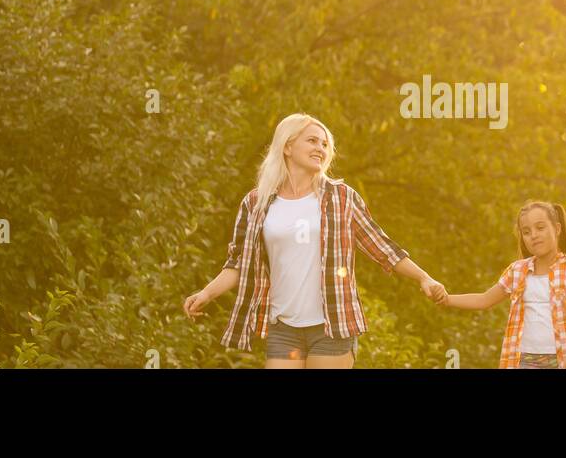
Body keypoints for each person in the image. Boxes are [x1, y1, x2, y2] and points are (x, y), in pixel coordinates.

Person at [183, 113, 447, 368]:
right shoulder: (256, 202)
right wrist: (207, 293)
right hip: (283, 326)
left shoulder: (341, 197)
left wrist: (424, 277)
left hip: (331, 325)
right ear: (287, 146)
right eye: (311, 140)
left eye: (324, 144)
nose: (320, 148)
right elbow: (239, 264)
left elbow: (383, 248)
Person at [442, 201, 566, 369]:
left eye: (540, 228)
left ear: (557, 229)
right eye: (526, 232)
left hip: (562, 360)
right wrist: (447, 299)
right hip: (523, 360)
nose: (534, 235)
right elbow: (484, 300)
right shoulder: (517, 271)